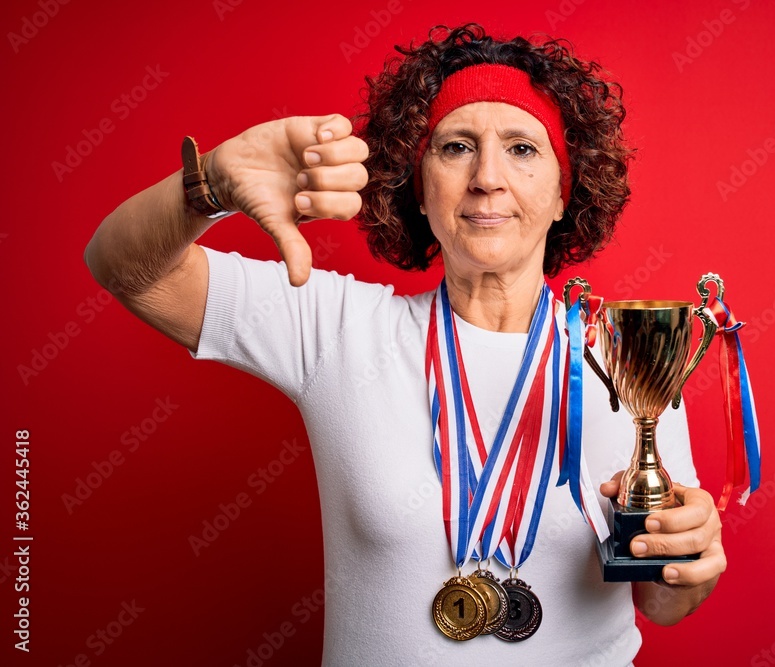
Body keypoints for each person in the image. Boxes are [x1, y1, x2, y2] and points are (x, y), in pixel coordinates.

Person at [85, 23, 725, 665]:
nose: (487, 179)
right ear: (419, 187)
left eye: (523, 149)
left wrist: (690, 563)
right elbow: (126, 267)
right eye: (455, 147)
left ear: (564, 193)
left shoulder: (627, 355)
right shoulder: (337, 328)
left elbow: (663, 603)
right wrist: (215, 184)